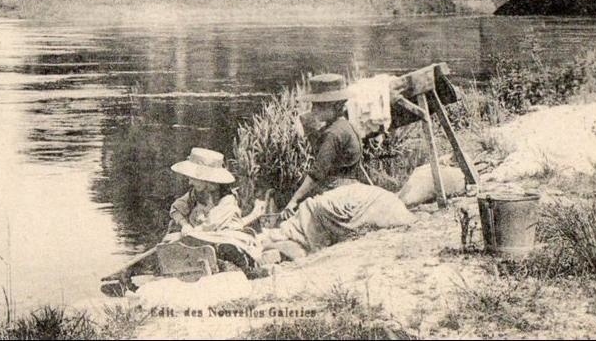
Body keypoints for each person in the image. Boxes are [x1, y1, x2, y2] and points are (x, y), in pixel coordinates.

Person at [165, 147, 268, 267]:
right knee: (171, 233)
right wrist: (185, 225)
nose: (190, 183)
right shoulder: (196, 192)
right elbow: (176, 208)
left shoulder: (227, 200)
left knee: (227, 242)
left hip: (218, 235)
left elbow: (208, 227)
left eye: (193, 179)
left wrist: (182, 236)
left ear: (207, 179)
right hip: (198, 234)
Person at [260, 181, 415, 260]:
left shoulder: (386, 202)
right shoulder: (385, 198)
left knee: (303, 228)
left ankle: (270, 240)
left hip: (326, 207)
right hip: (354, 197)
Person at [281, 74, 364, 218]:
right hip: (352, 185)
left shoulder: (333, 133)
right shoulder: (346, 125)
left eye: (319, 106)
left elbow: (317, 173)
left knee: (298, 211)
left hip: (337, 190)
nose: (313, 110)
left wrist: (294, 201)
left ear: (335, 106)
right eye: (313, 105)